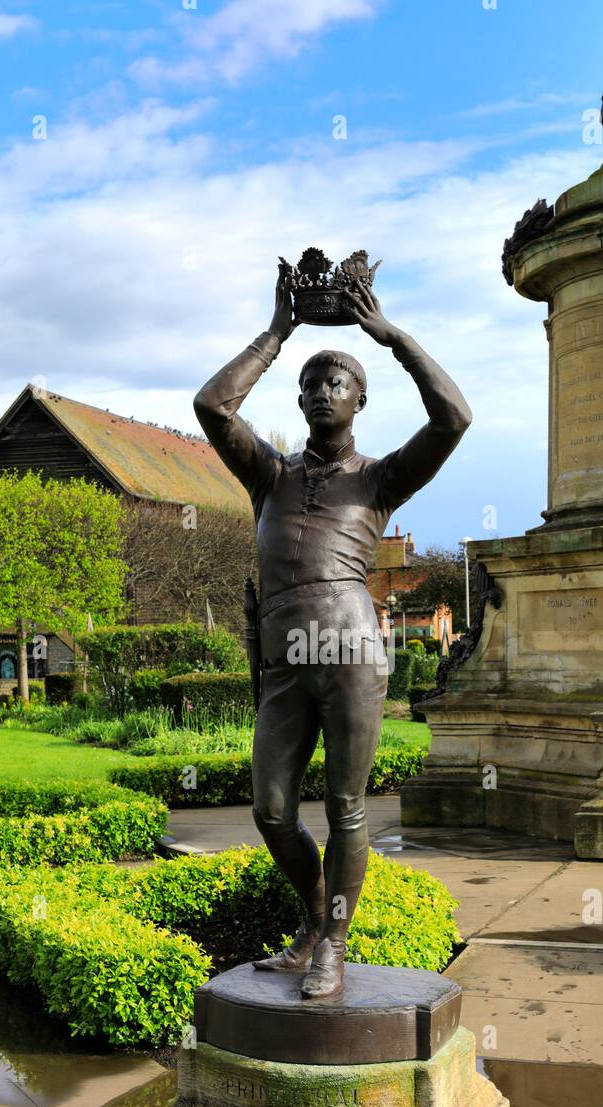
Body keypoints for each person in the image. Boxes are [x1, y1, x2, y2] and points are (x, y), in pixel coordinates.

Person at [194, 266, 471, 999]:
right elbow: (212, 405)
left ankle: (335, 945)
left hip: (350, 650)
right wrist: (279, 333)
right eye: (312, 383)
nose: (322, 390)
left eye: (337, 380)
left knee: (346, 806)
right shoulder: (270, 476)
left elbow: (454, 419)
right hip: (285, 661)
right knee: (271, 809)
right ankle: (314, 922)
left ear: (360, 398)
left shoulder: (379, 481)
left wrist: (388, 338)